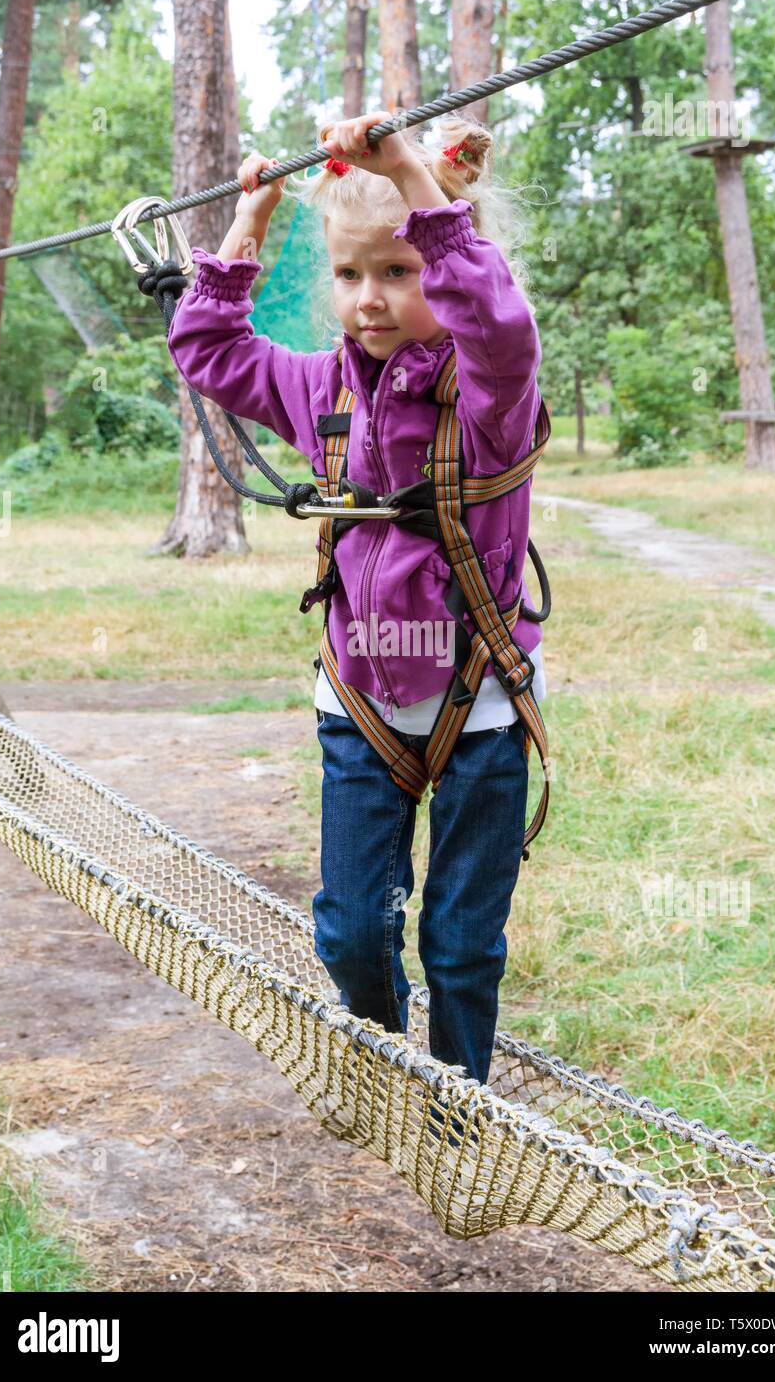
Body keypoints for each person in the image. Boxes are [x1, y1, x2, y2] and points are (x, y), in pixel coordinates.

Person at [166, 110, 548, 1089]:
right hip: (360, 705)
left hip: (480, 709)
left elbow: (497, 324)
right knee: (347, 933)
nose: (369, 299)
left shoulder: (490, 398)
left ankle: (460, 1112)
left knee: (460, 946)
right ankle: (389, 1071)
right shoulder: (319, 389)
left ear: (438, 260)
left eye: (398, 271)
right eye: (347, 274)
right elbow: (208, 351)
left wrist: (420, 190)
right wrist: (251, 221)